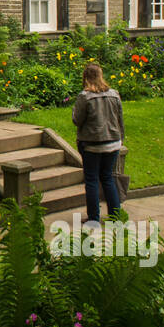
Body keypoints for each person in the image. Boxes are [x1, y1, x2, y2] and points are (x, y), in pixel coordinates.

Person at [71, 62, 125, 230]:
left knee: (92, 180)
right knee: (108, 178)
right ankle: (116, 216)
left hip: (92, 144)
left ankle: (94, 218)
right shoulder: (114, 94)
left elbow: (76, 120)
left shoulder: (84, 97)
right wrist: (120, 138)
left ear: (86, 77)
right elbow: (120, 119)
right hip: (113, 142)